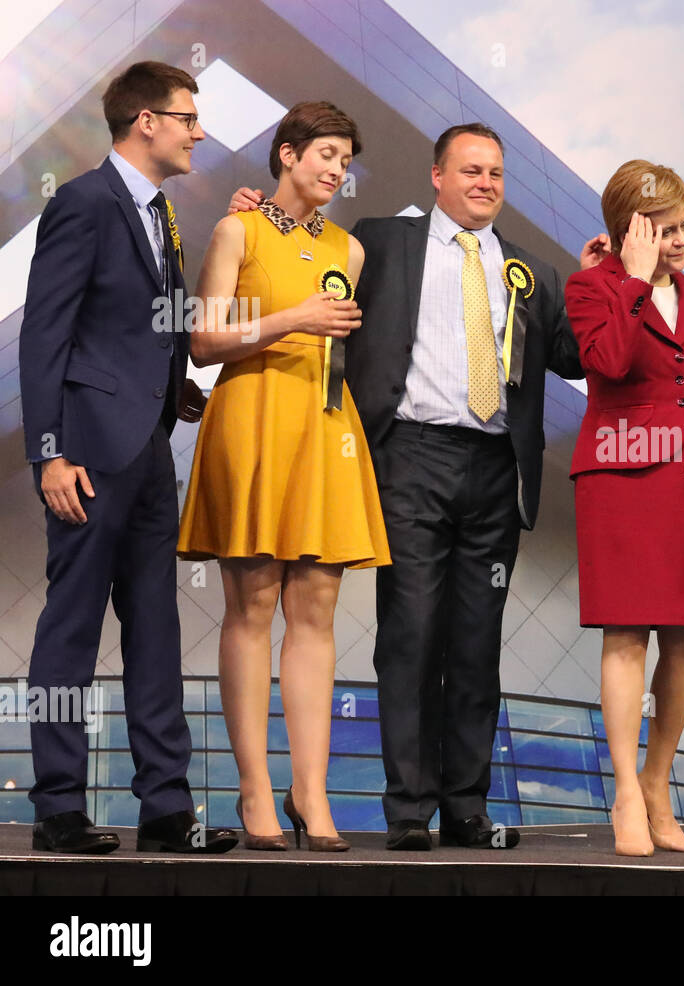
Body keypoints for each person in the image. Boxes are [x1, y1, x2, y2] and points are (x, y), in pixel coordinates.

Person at [227, 122, 602, 850]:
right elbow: (308, 257)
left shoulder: (531, 270)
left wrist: (596, 283)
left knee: (475, 643)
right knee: (409, 635)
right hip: (408, 458)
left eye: (495, 173)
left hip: (496, 469)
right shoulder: (381, 241)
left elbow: (575, 359)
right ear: (437, 176)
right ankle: (408, 811)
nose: (484, 183)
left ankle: (466, 805)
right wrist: (258, 210)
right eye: (470, 171)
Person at [18, 61, 236, 855]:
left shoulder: (164, 216)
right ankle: (59, 810)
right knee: (70, 630)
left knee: (156, 627)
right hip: (87, 455)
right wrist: (50, 453)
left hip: (149, 452)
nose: (198, 131)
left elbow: (143, 320)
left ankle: (166, 811)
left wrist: (172, 383)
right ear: (145, 120)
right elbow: (45, 335)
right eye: (187, 117)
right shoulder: (82, 202)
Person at [179, 102, 388, 852]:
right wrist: (288, 319)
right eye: (326, 153)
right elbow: (202, 340)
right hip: (253, 420)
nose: (336, 170)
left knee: (319, 610)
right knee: (252, 603)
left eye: (345, 159)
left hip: (326, 423)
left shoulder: (348, 249)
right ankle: (253, 790)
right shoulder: (237, 229)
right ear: (288, 154)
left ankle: (311, 790)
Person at [567, 160, 684, 856]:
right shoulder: (590, 287)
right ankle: (623, 791)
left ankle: (656, 779)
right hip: (618, 478)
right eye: (665, 230)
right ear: (629, 232)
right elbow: (610, 364)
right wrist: (637, 283)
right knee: (626, 634)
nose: (680, 241)